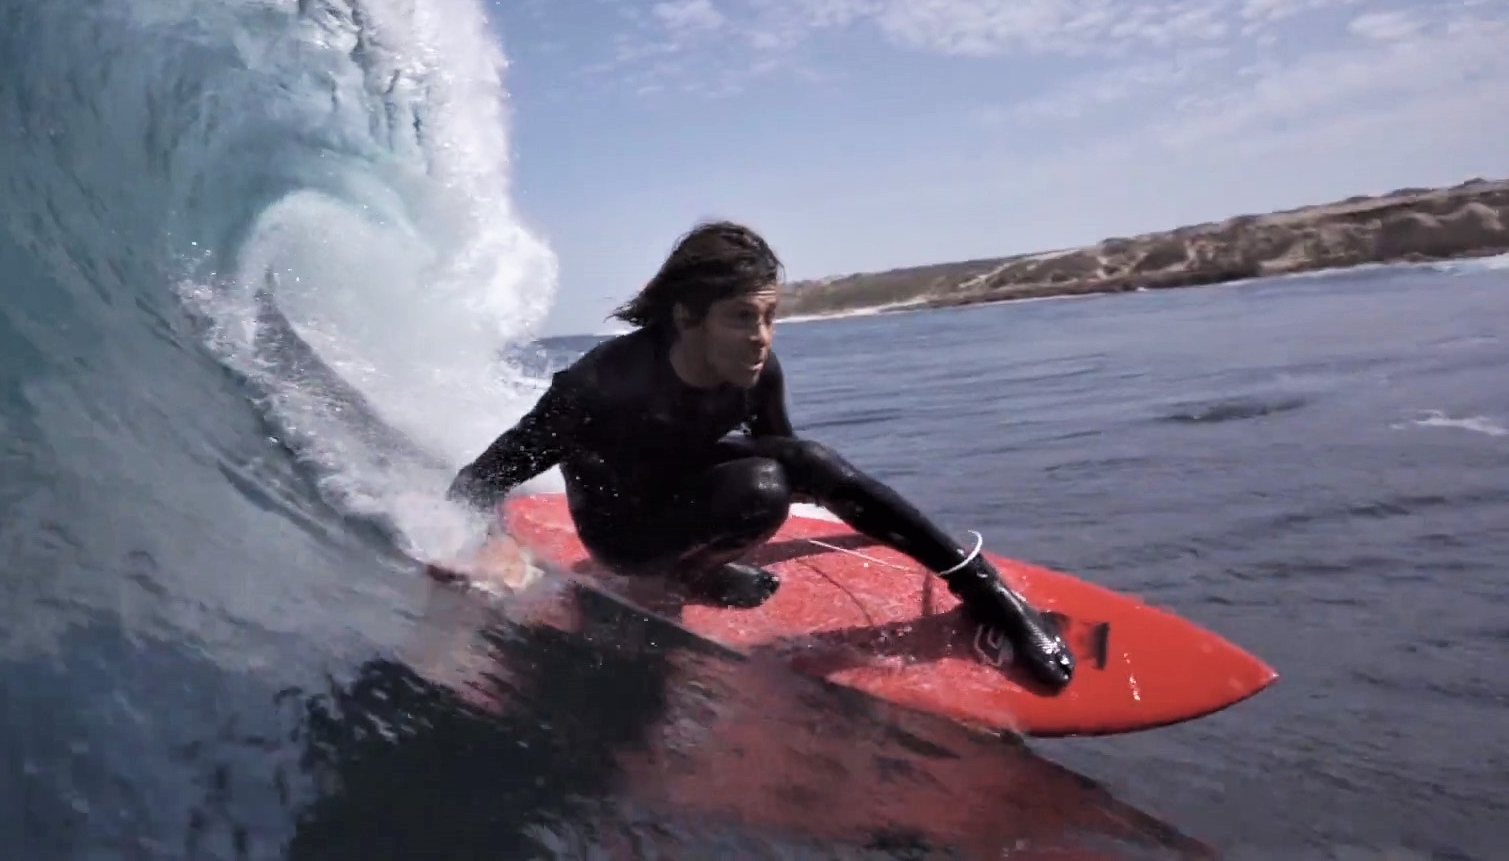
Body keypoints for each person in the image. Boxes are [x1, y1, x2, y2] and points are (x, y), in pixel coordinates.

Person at [447, 222, 1074, 689]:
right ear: (687, 316)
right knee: (762, 489)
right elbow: (479, 479)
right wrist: (481, 550)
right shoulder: (600, 389)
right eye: (741, 318)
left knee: (799, 466)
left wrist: (854, 526)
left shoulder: (754, 371)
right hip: (626, 536)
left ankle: (985, 590)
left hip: (692, 496)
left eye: (769, 316)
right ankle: (689, 573)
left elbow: (797, 463)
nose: (761, 338)